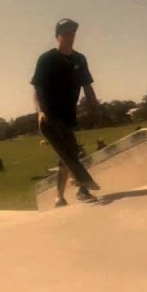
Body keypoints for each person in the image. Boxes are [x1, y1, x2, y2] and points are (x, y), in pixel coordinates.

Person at [31, 18, 102, 206]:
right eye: (65, 34)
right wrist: (40, 112)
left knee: (66, 156)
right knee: (72, 151)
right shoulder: (47, 59)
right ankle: (81, 189)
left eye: (72, 33)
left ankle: (59, 197)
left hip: (69, 116)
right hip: (49, 116)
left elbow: (88, 87)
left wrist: (96, 109)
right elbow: (36, 89)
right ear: (57, 36)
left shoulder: (80, 59)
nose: (70, 37)